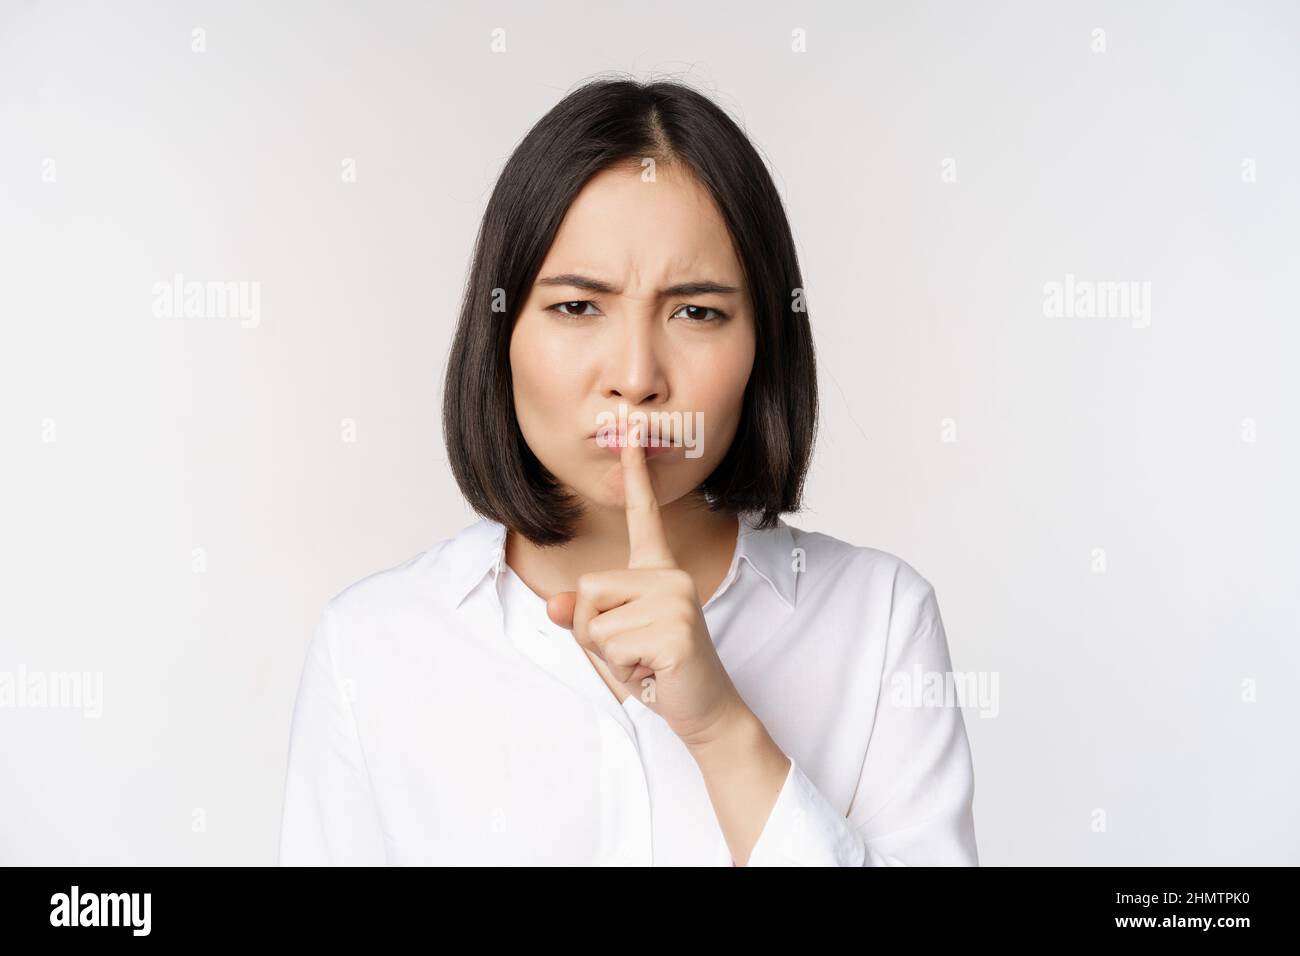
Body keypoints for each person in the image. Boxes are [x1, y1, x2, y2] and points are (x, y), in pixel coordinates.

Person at [278, 75, 978, 866]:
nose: (637, 375)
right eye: (578, 307)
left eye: (697, 312)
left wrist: (718, 725)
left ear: (763, 349)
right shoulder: (371, 645)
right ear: (500, 332)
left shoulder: (880, 623)